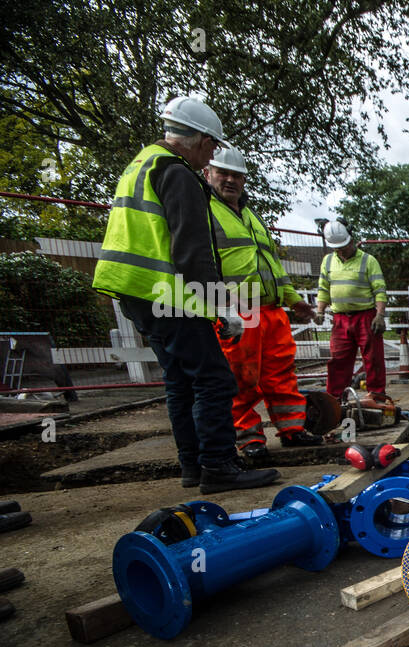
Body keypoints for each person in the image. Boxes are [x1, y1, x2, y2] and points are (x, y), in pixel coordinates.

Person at [91, 97, 279, 494]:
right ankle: (219, 467)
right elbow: (192, 249)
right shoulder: (177, 173)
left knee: (179, 382)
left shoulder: (141, 164)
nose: (211, 155)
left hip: (138, 293)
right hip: (170, 295)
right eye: (212, 146)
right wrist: (223, 306)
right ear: (196, 139)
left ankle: (193, 467)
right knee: (214, 380)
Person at [204, 146, 323, 463]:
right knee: (240, 378)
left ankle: (292, 429)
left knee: (281, 374)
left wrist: (294, 300)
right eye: (223, 173)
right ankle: (248, 439)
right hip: (237, 311)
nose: (230, 180)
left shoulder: (251, 216)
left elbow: (271, 264)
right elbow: (196, 262)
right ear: (207, 173)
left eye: (237, 175)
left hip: (271, 311)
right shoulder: (203, 212)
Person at [315, 220, 390, 402]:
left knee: (373, 359)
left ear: (351, 240)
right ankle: (335, 399)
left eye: (343, 246)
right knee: (338, 361)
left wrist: (380, 315)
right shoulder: (328, 261)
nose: (341, 251)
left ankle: (376, 396)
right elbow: (323, 288)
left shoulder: (368, 261)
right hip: (340, 319)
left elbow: (379, 290)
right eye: (337, 248)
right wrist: (320, 311)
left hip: (365, 316)